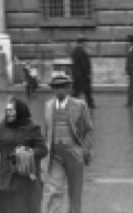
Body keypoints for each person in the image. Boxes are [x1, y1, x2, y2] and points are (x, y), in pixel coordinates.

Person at [0, 97, 46, 213]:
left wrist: (27, 153)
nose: (8, 113)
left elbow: (43, 150)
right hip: (6, 180)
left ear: (19, 111)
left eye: (11, 110)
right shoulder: (1, 127)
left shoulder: (33, 128)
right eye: (6, 110)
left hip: (26, 182)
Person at [43, 70, 94, 213]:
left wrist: (84, 150)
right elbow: (46, 131)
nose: (59, 90)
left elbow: (89, 129)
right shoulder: (48, 106)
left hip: (74, 154)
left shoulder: (80, 105)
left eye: (62, 86)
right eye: (56, 87)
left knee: (75, 193)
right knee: (54, 190)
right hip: (55, 155)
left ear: (68, 88)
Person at [70, 38, 95, 109]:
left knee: (85, 90)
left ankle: (90, 103)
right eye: (86, 42)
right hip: (82, 75)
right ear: (82, 43)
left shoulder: (75, 50)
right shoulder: (81, 51)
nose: (87, 44)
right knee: (78, 90)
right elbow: (83, 64)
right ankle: (70, 103)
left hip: (77, 74)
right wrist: (87, 73)